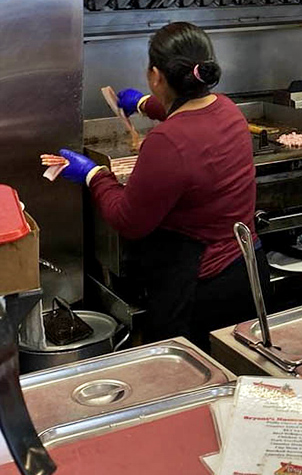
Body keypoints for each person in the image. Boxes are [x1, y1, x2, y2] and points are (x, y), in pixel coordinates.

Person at [52, 22, 267, 348]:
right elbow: (188, 118)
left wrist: (94, 175)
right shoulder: (227, 109)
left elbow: (129, 221)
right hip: (247, 272)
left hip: (200, 290)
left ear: (156, 76)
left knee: (195, 385)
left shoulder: (167, 142)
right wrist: (142, 105)